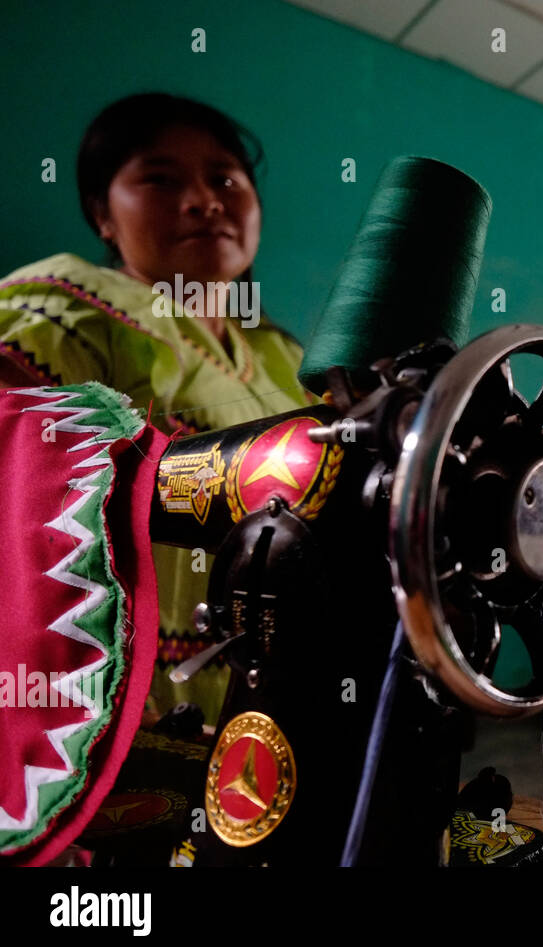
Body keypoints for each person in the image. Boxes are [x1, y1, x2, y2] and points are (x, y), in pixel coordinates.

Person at [0, 93, 315, 723]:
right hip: (102, 711)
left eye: (226, 178)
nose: (204, 201)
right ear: (103, 216)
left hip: (273, 700)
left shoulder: (289, 359)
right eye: (160, 179)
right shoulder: (69, 305)